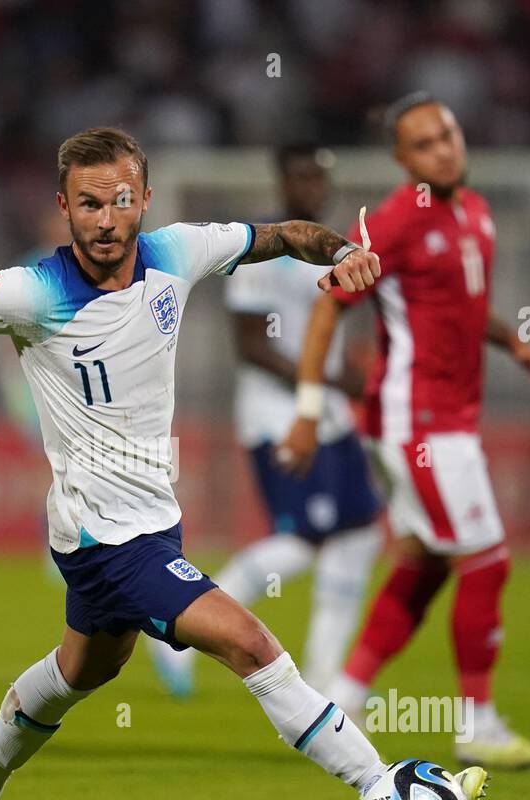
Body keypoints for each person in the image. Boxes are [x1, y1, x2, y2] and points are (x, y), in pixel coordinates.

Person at [0, 126, 487, 800]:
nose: (106, 219)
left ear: (144, 198)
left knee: (77, 674)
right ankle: (382, 790)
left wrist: (342, 252)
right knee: (250, 644)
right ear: (64, 207)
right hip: (106, 539)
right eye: (88, 204)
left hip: (149, 525)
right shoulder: (33, 292)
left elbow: (281, 236)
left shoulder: (178, 251)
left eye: (119, 201)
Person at [279, 94, 530, 770]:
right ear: (403, 161)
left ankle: (342, 694)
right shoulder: (395, 220)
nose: (444, 149)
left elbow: (461, 306)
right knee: (487, 560)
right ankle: (479, 725)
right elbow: (326, 315)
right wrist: (309, 409)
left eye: (448, 134)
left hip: (448, 417)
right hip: (415, 422)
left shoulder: (475, 212)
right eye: (425, 144)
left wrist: (511, 339)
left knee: (427, 563)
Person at [147, 144, 383, 700]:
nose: (311, 186)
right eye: (299, 176)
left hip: (327, 414)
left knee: (363, 531)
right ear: (282, 181)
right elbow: (252, 348)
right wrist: (325, 380)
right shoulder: (263, 257)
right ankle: (177, 617)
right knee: (303, 539)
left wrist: (342, 377)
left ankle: (330, 683)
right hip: (278, 418)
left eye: (318, 175)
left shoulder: (335, 251)